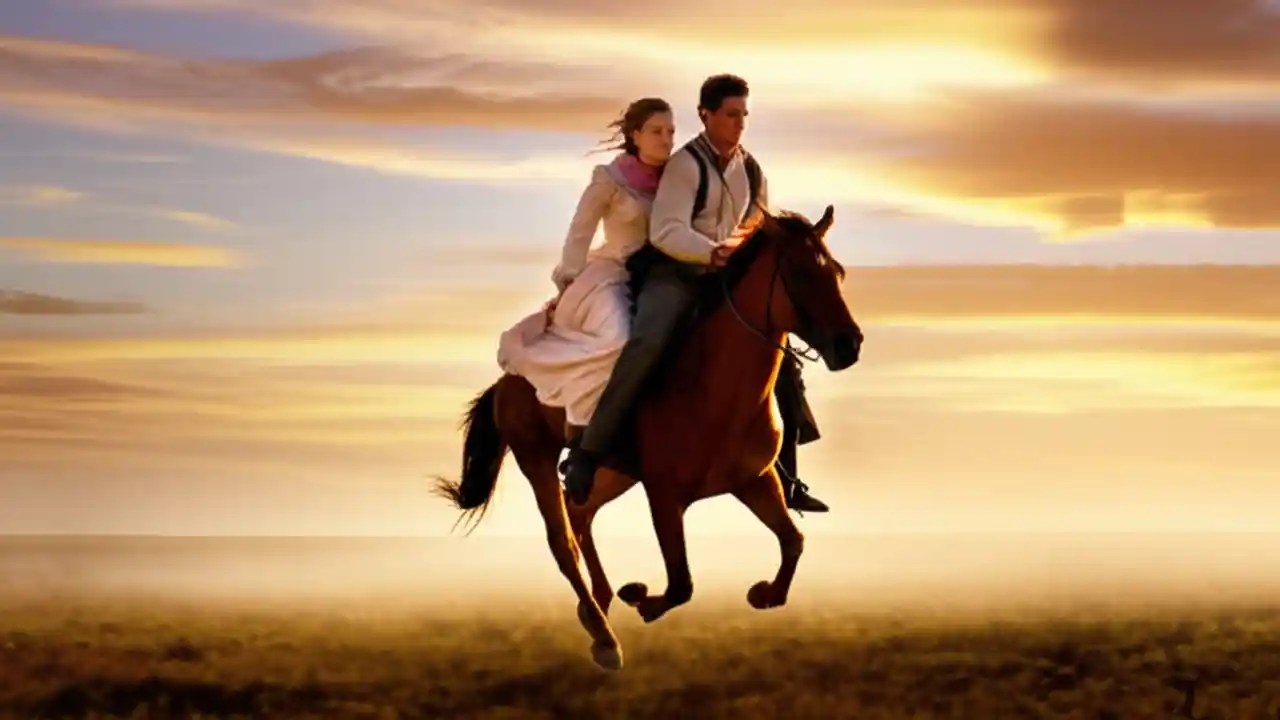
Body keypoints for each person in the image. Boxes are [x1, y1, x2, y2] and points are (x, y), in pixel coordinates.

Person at [561, 74, 829, 513]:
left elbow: (755, 224)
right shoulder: (686, 165)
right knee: (647, 340)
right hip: (674, 271)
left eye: (744, 115)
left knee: (777, 352)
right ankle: (588, 454)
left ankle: (787, 476)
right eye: (730, 114)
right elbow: (667, 229)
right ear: (706, 115)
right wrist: (711, 253)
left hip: (725, 275)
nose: (739, 123)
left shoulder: (752, 169)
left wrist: (757, 252)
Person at [497, 98, 676, 435]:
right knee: (619, 340)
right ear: (635, 135)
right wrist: (568, 279)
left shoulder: (678, 179)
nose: (666, 139)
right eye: (656, 131)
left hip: (662, 274)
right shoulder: (610, 178)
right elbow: (581, 230)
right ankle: (581, 423)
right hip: (613, 273)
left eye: (670, 131)